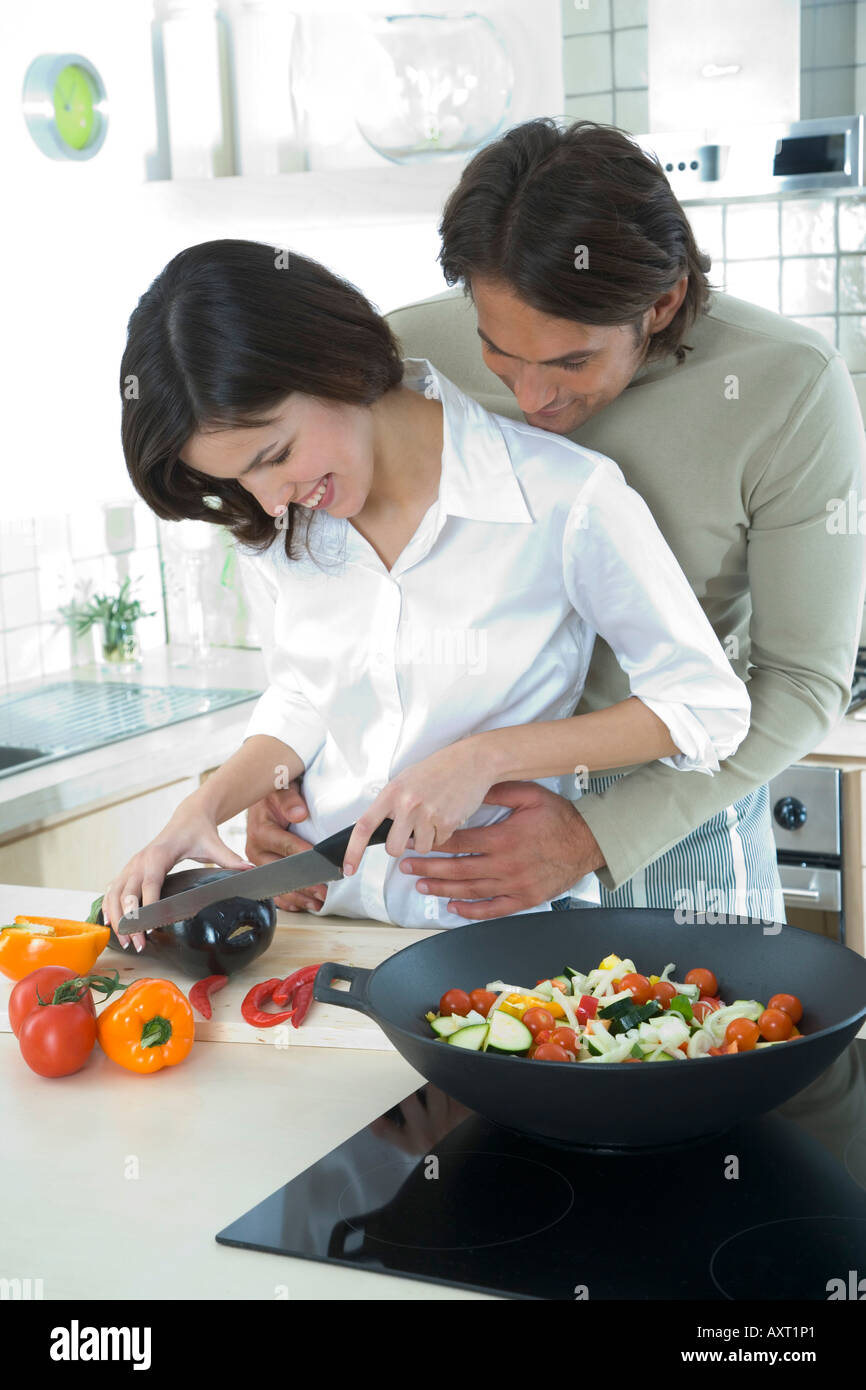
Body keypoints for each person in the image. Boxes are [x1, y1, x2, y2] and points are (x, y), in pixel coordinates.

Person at [247, 118, 866, 925]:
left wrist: (595, 834)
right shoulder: (405, 353)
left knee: (698, 1042)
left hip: (676, 811)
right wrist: (290, 777)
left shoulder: (787, 386)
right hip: (443, 828)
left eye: (573, 362)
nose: (536, 400)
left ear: (664, 300)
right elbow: (348, 603)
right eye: (501, 354)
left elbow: (801, 681)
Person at [102, 237, 749, 941]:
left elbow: (704, 708)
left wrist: (484, 757)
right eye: (238, 481)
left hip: (492, 933)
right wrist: (209, 803)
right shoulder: (288, 524)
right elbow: (303, 696)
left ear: (334, 364)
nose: (267, 501)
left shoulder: (564, 497)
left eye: (275, 456)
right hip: (321, 922)